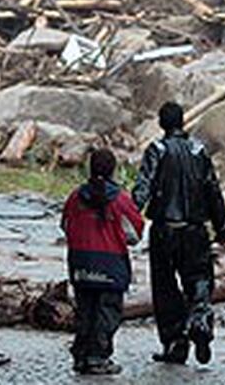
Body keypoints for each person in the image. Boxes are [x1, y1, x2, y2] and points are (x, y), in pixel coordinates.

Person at [132, 101, 225, 366]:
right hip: (196, 230)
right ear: (183, 121)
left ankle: (175, 341)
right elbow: (213, 189)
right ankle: (200, 320)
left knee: (164, 287)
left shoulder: (157, 149)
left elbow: (144, 186)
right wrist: (222, 226)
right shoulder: (199, 151)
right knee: (199, 280)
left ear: (162, 123)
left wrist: (127, 216)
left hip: (165, 229)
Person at [61, 148, 145, 375]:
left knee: (85, 310)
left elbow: (65, 226)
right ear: (113, 170)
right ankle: (98, 358)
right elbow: (135, 235)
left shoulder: (75, 196)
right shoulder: (120, 200)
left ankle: (81, 356)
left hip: (80, 261)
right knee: (107, 312)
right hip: (110, 263)